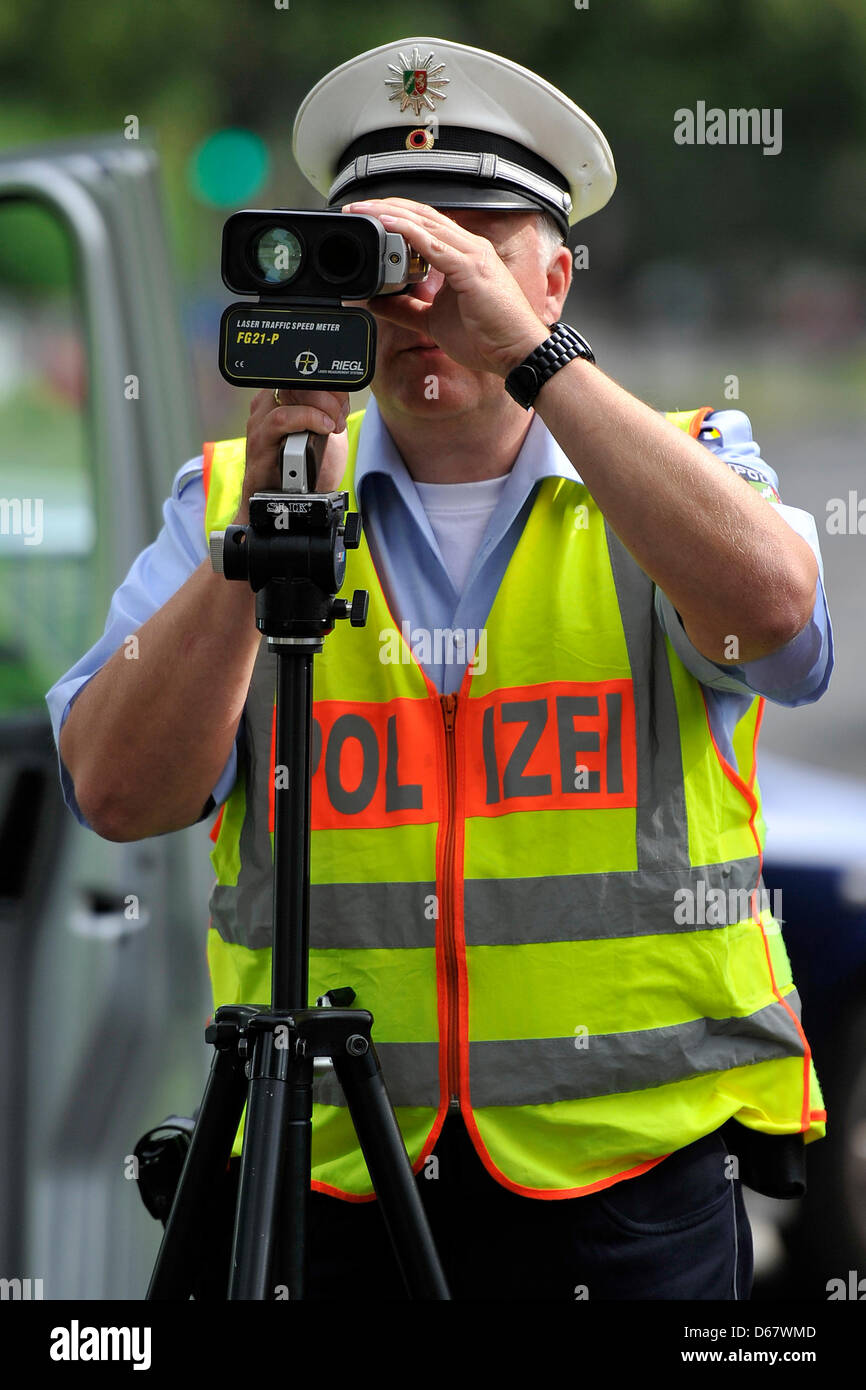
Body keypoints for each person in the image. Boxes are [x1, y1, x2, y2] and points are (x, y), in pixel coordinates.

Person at [47, 36, 833, 1301]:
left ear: (555, 274)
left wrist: (535, 358)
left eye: (471, 244)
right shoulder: (231, 502)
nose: (425, 289)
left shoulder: (679, 468)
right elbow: (118, 792)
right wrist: (262, 543)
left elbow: (781, 632)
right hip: (326, 1182)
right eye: (388, 251)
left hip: (624, 1190)